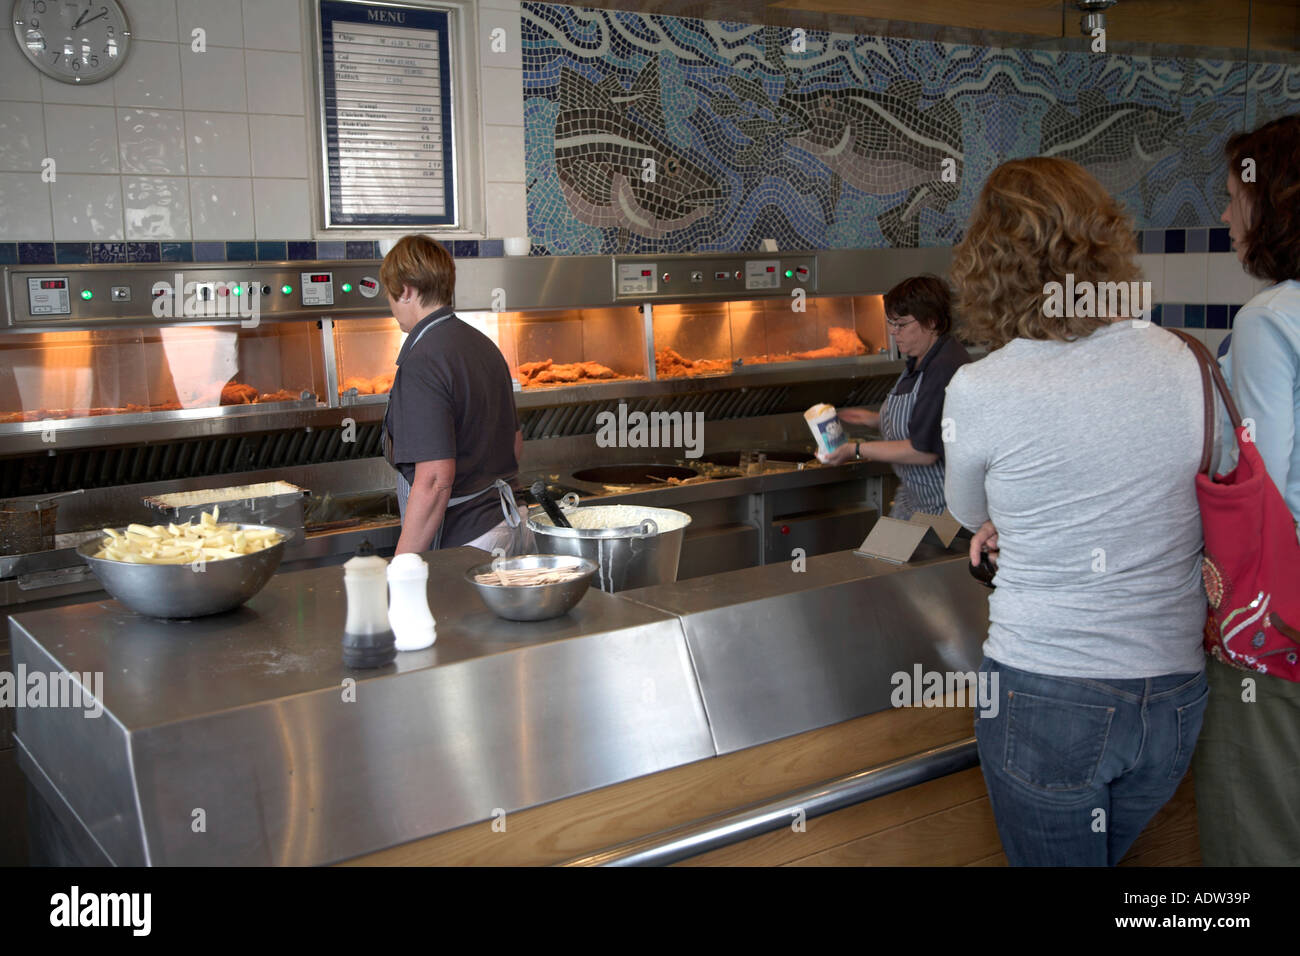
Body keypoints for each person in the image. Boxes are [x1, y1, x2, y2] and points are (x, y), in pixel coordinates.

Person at [942, 157, 1209, 866]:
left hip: (1048, 692)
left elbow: (969, 512)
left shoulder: (981, 387)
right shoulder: (1183, 358)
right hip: (1176, 691)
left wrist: (1017, 518)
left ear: (987, 263)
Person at [1193, 113, 1300, 867]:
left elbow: (1267, 488)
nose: (1226, 215)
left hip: (1280, 619)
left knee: (1257, 821)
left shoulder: (1271, 318)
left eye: (1234, 197)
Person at [379, 234, 530, 555]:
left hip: (467, 542)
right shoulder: (484, 345)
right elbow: (514, 442)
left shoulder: (421, 361)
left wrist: (403, 565)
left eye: (390, 295)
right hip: (511, 525)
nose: (391, 307)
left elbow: (434, 480)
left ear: (405, 290)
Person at [819, 275, 970, 519]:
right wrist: (877, 420)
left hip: (943, 511)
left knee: (894, 557)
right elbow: (929, 421)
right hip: (914, 500)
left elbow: (923, 451)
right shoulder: (920, 357)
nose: (892, 332)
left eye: (900, 325)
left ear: (931, 322)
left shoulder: (944, 367)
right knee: (879, 556)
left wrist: (854, 449)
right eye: (890, 323)